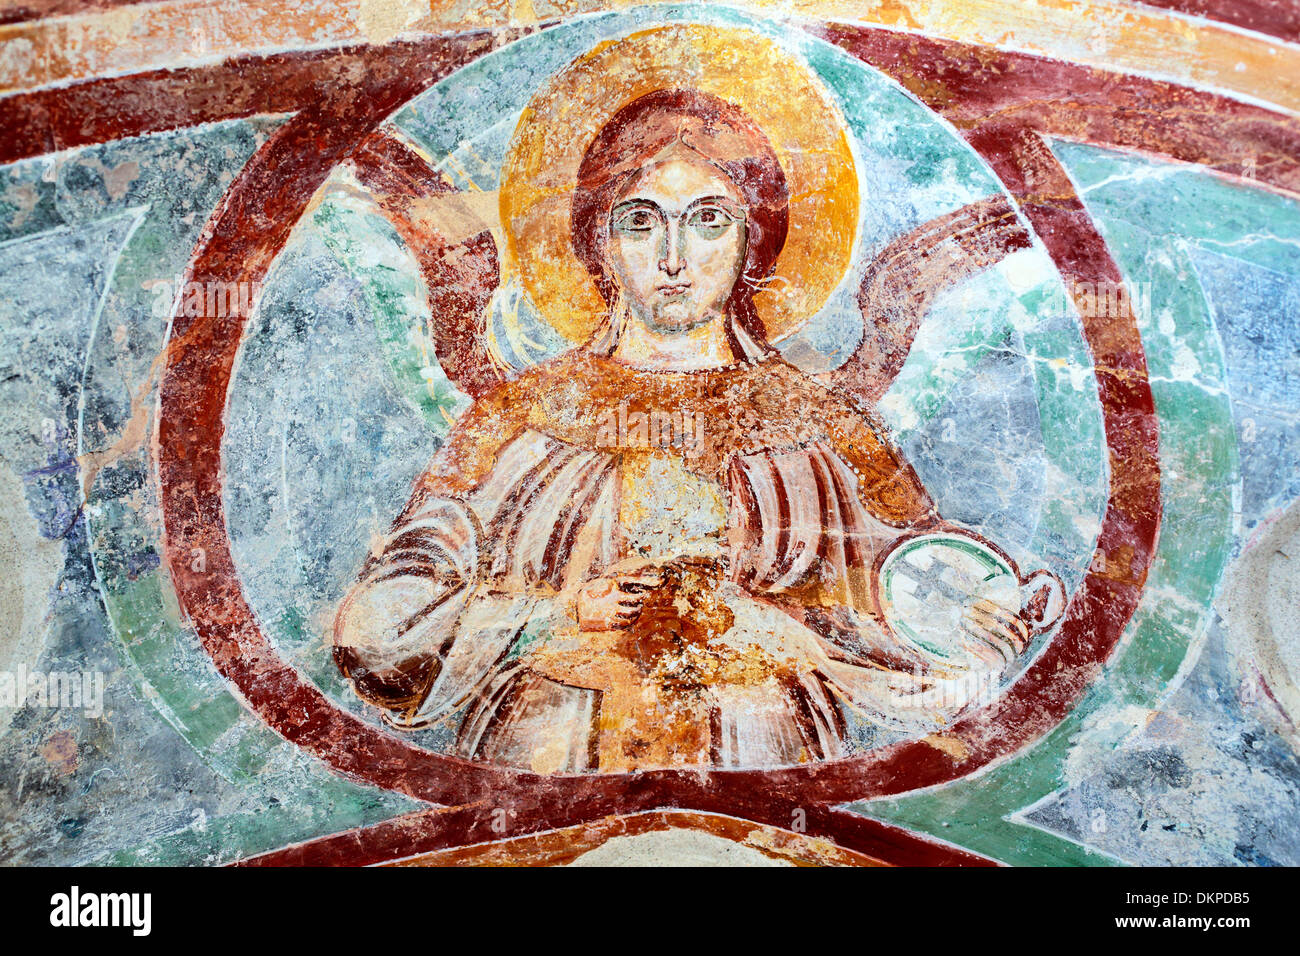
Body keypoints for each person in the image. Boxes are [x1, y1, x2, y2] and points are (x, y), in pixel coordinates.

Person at [333, 89, 1033, 773]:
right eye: (640, 222)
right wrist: (552, 614)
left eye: (707, 221)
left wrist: (975, 613)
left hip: (761, 754)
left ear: (752, 242)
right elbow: (382, 620)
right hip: (549, 755)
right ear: (598, 245)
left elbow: (908, 584)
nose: (674, 257)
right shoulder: (523, 418)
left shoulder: (817, 422)